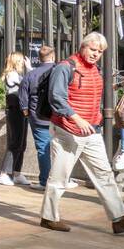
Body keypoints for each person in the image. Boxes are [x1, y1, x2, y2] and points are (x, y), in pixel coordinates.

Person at [39, 32, 124, 235]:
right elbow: (56, 98)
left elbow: (94, 94)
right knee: (59, 177)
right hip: (68, 130)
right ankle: (49, 217)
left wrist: (95, 115)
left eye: (100, 51)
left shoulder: (95, 70)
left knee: (104, 174)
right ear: (82, 46)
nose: (96, 54)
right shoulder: (65, 67)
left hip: (91, 130)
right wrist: (76, 118)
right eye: (92, 49)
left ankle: (119, 219)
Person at [19, 45, 79, 191]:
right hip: (58, 115)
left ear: (39, 58)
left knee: (43, 149)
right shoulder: (60, 70)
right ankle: (65, 179)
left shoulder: (31, 74)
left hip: (38, 117)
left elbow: (23, 95)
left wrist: (27, 113)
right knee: (64, 148)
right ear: (53, 56)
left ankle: (45, 180)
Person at [0, 52, 31, 187]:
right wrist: (30, 69)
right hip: (15, 110)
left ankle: (16, 173)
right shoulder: (12, 75)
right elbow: (29, 83)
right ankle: (4, 173)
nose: (23, 63)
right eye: (21, 61)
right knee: (15, 143)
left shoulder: (18, 74)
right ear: (16, 62)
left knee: (21, 144)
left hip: (21, 111)